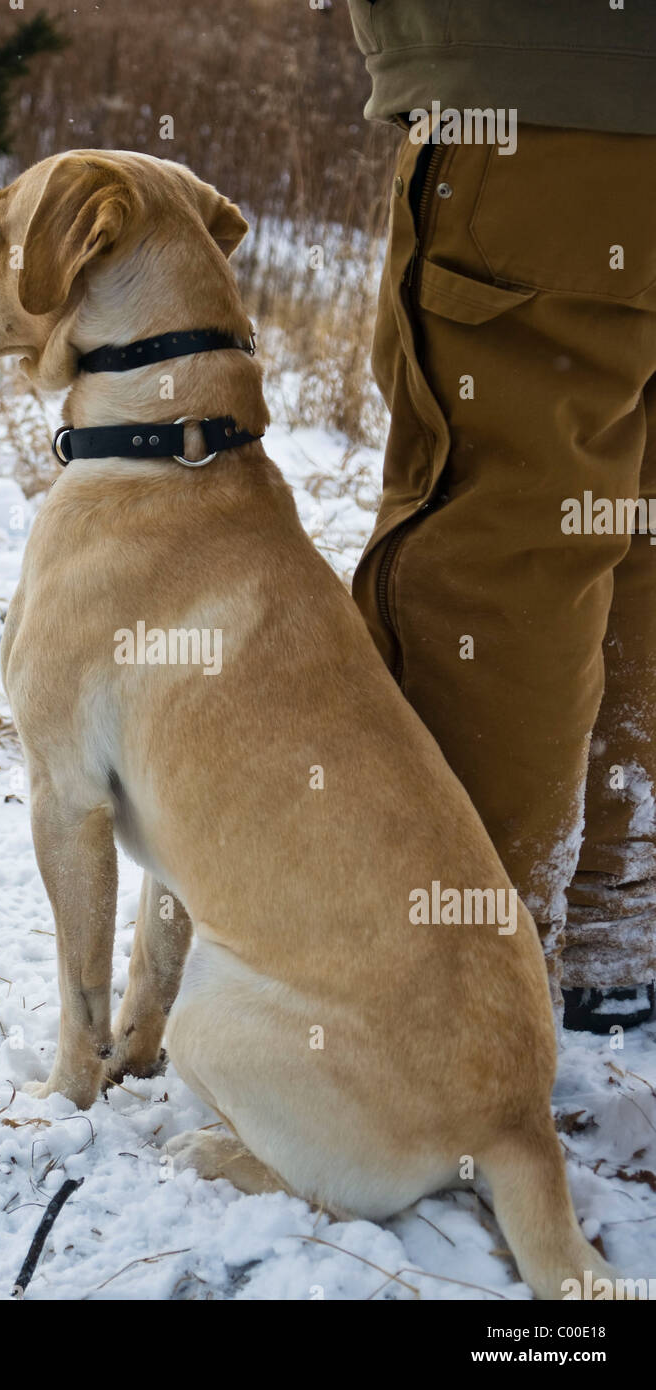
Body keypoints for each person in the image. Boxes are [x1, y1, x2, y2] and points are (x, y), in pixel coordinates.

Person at [346, 0, 656, 1032]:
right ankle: (614, 932)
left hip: (551, 108)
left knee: (501, 542)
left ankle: (452, 996)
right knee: (634, 526)